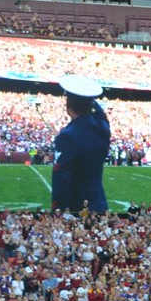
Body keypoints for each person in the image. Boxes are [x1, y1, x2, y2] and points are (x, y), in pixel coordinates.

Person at [51, 75, 111, 214]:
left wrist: (57, 207)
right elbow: (101, 115)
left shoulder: (67, 136)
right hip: (98, 202)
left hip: (76, 206)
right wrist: (89, 99)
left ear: (68, 105)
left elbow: (61, 177)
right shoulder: (103, 127)